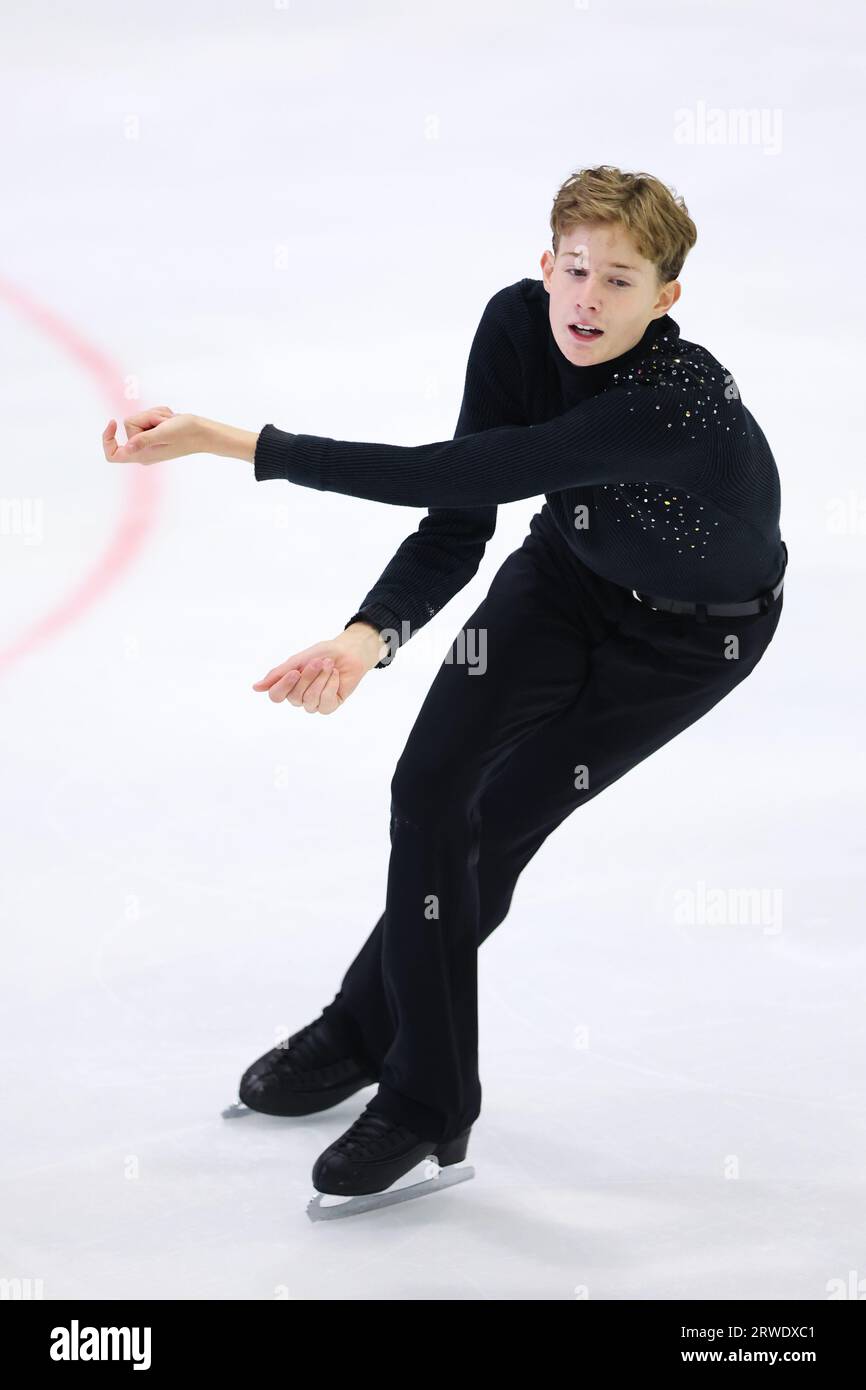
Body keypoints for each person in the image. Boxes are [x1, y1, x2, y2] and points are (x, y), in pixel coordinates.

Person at [102, 165, 787, 1204]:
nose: (586, 300)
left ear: (665, 300)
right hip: (564, 579)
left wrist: (227, 440)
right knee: (426, 796)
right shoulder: (517, 327)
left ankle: (423, 1105)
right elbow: (459, 523)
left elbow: (450, 474)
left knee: (500, 820)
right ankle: (368, 1037)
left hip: (691, 647)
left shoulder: (674, 400)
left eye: (617, 280)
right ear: (543, 263)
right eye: (572, 269)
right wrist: (367, 634)